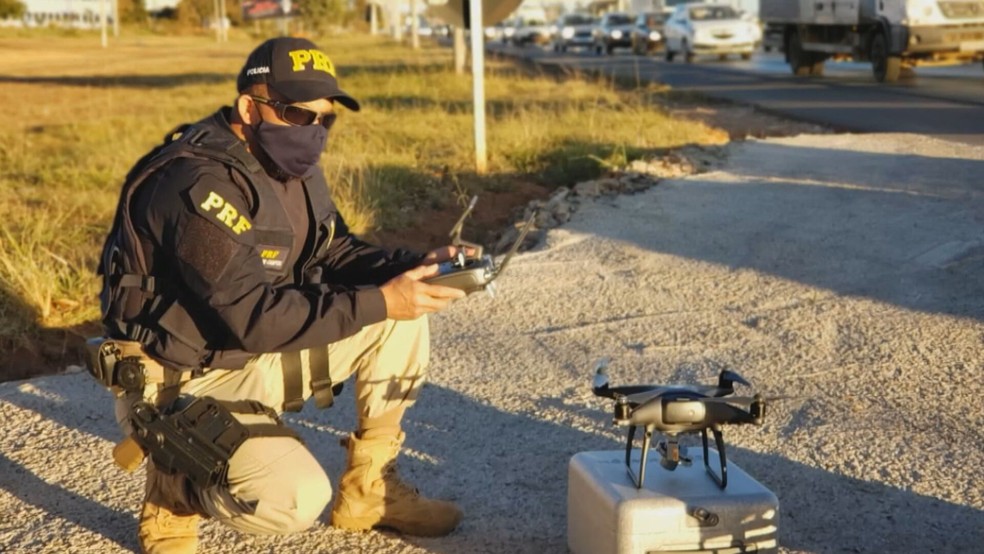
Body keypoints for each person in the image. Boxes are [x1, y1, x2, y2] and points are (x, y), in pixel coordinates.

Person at [95, 37, 468, 554]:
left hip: (248, 353)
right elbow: (253, 316)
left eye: (325, 119)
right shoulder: (195, 183)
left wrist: (420, 267)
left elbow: (333, 252)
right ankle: (174, 492)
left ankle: (369, 491)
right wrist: (384, 299)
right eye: (296, 114)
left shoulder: (290, 168)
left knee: (404, 313)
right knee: (293, 498)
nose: (313, 131)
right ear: (250, 108)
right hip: (179, 380)